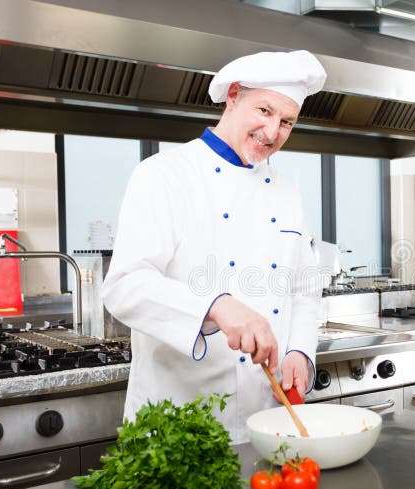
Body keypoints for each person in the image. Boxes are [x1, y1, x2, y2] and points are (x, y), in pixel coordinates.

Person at [102, 50, 327, 442]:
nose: (272, 132)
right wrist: (216, 306)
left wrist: (300, 353)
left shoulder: (288, 193)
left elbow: (304, 288)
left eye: (286, 121)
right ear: (234, 96)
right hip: (181, 419)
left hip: (267, 417)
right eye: (264, 110)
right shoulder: (164, 176)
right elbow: (125, 285)